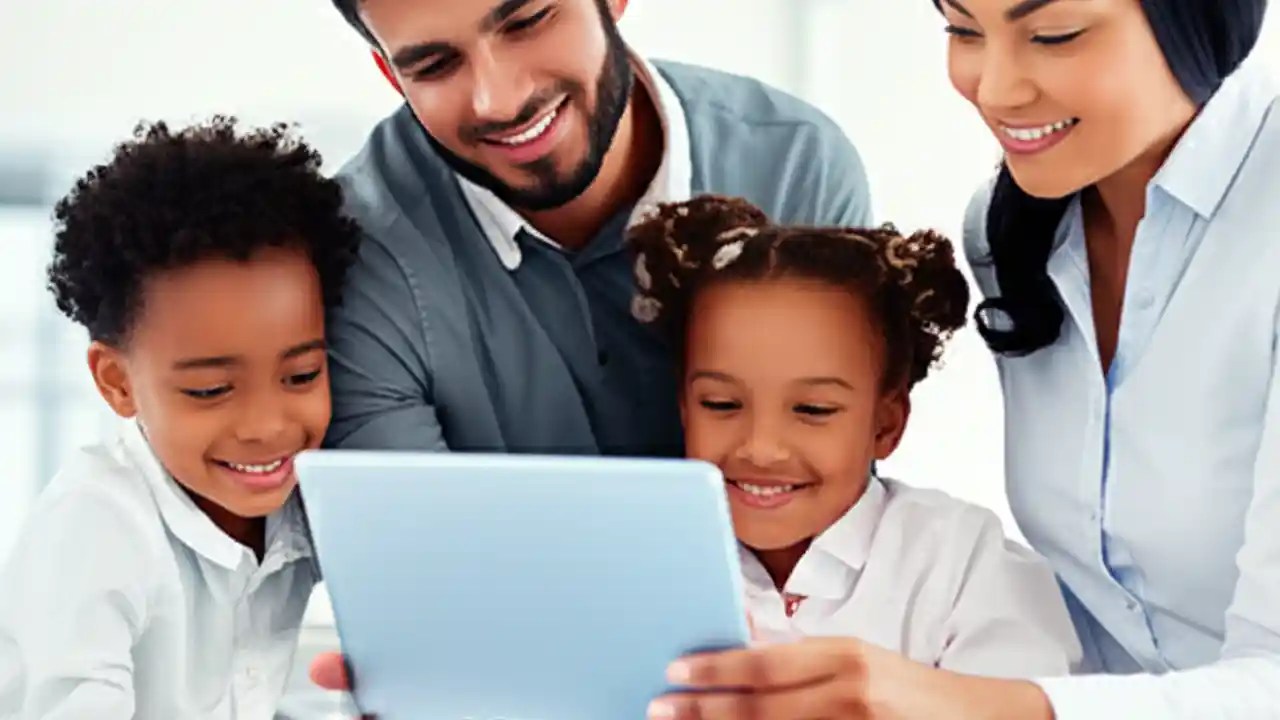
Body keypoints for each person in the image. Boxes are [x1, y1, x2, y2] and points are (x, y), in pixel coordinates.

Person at [638, 1, 1280, 718]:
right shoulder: (1017, 227)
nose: (995, 89)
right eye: (964, 29)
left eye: (1053, 35)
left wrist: (958, 703)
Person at [321, 0, 873, 456]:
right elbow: (416, 558)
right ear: (392, 77)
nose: (501, 100)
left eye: (528, 21)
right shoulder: (352, 246)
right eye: (435, 65)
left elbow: (819, 526)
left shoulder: (794, 167)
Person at [625, 195, 1081, 676]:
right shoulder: (641, 567)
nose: (759, 447)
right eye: (721, 404)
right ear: (682, 406)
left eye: (812, 410)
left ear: (885, 424)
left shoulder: (962, 565)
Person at [0, 117, 362, 718]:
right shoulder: (93, 527)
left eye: (301, 376)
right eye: (211, 389)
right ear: (117, 383)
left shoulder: (301, 507)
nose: (266, 425)